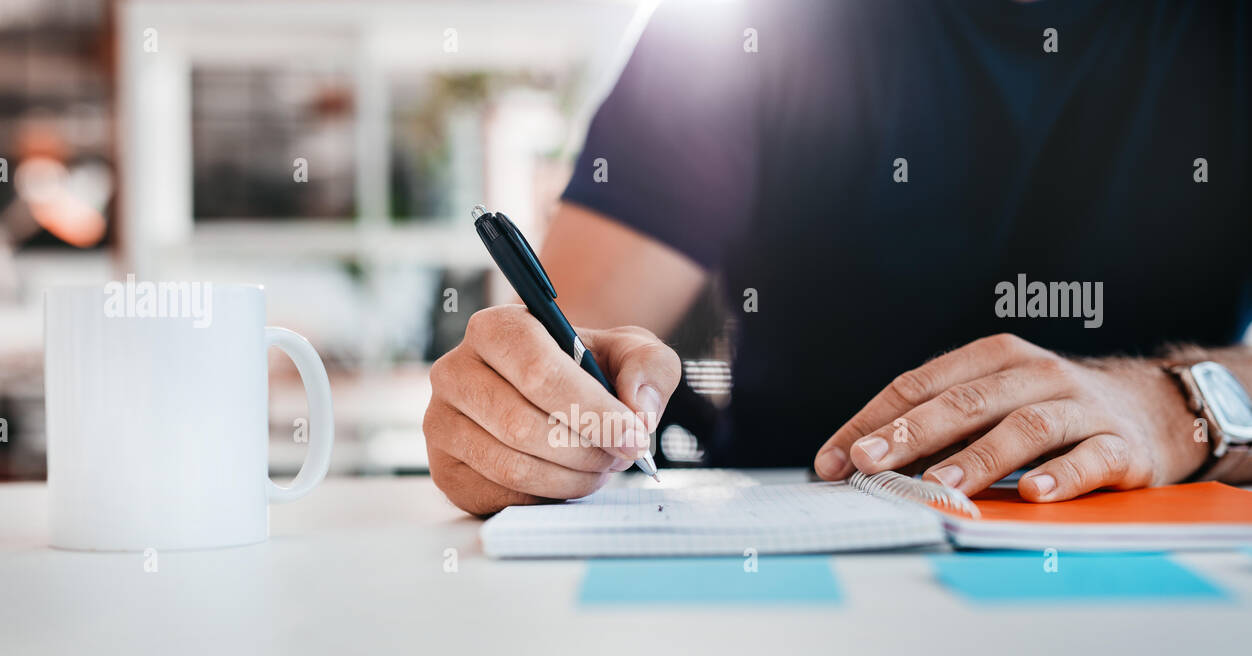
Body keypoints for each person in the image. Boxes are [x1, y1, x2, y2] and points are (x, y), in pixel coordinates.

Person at [424, 0, 1252, 516]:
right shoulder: (734, 30)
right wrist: (515, 412)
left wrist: (1179, 405)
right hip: (797, 581)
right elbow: (556, 343)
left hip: (1169, 570)